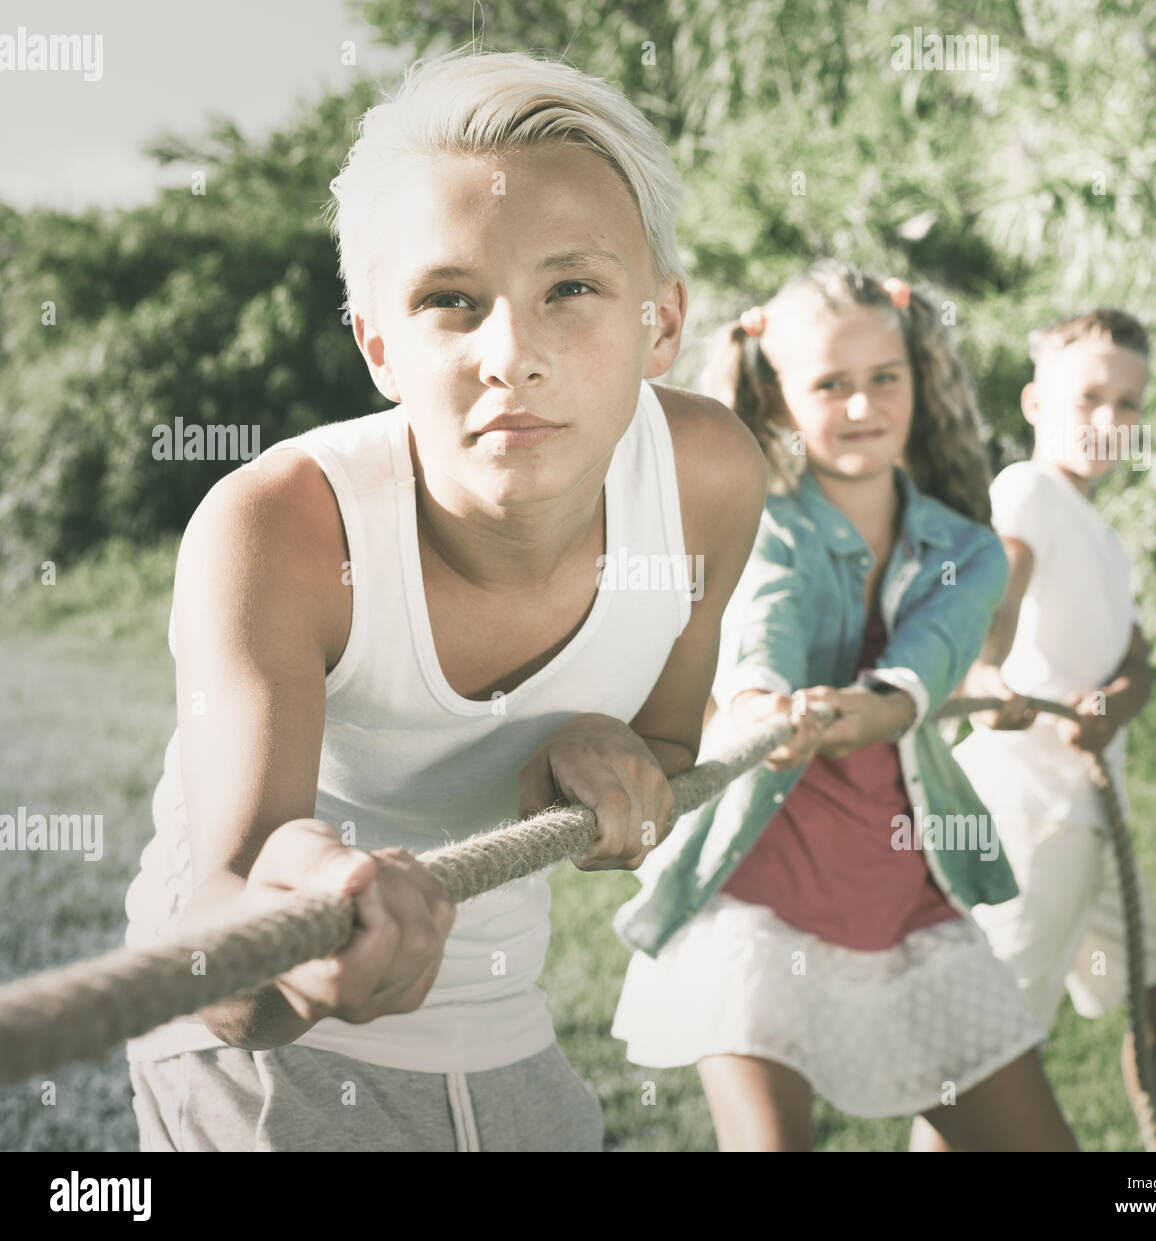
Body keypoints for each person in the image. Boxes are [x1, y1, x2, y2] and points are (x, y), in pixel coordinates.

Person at [122, 47, 768, 1152]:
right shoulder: (280, 526)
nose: (510, 356)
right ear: (379, 345)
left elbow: (666, 738)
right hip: (251, 1059)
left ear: (662, 323)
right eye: (449, 301)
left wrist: (606, 743)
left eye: (572, 288)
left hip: (502, 1017)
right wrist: (307, 932)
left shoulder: (707, 474)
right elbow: (216, 946)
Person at [611, 262, 1077, 1151]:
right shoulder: (762, 516)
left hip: (904, 888)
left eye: (882, 378)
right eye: (831, 384)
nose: (862, 405)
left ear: (915, 375)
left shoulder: (969, 548)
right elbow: (766, 609)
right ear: (780, 396)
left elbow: (933, 651)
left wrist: (883, 704)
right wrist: (758, 700)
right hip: (755, 889)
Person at [928, 308, 1156, 1152]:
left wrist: (1116, 700)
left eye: (1130, 404)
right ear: (1038, 401)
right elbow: (998, 594)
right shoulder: (1028, 490)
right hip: (1032, 814)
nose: (1112, 421)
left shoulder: (1106, 538)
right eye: (1091, 397)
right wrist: (985, 671)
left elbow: (1137, 660)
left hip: (1090, 814)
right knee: (989, 1049)